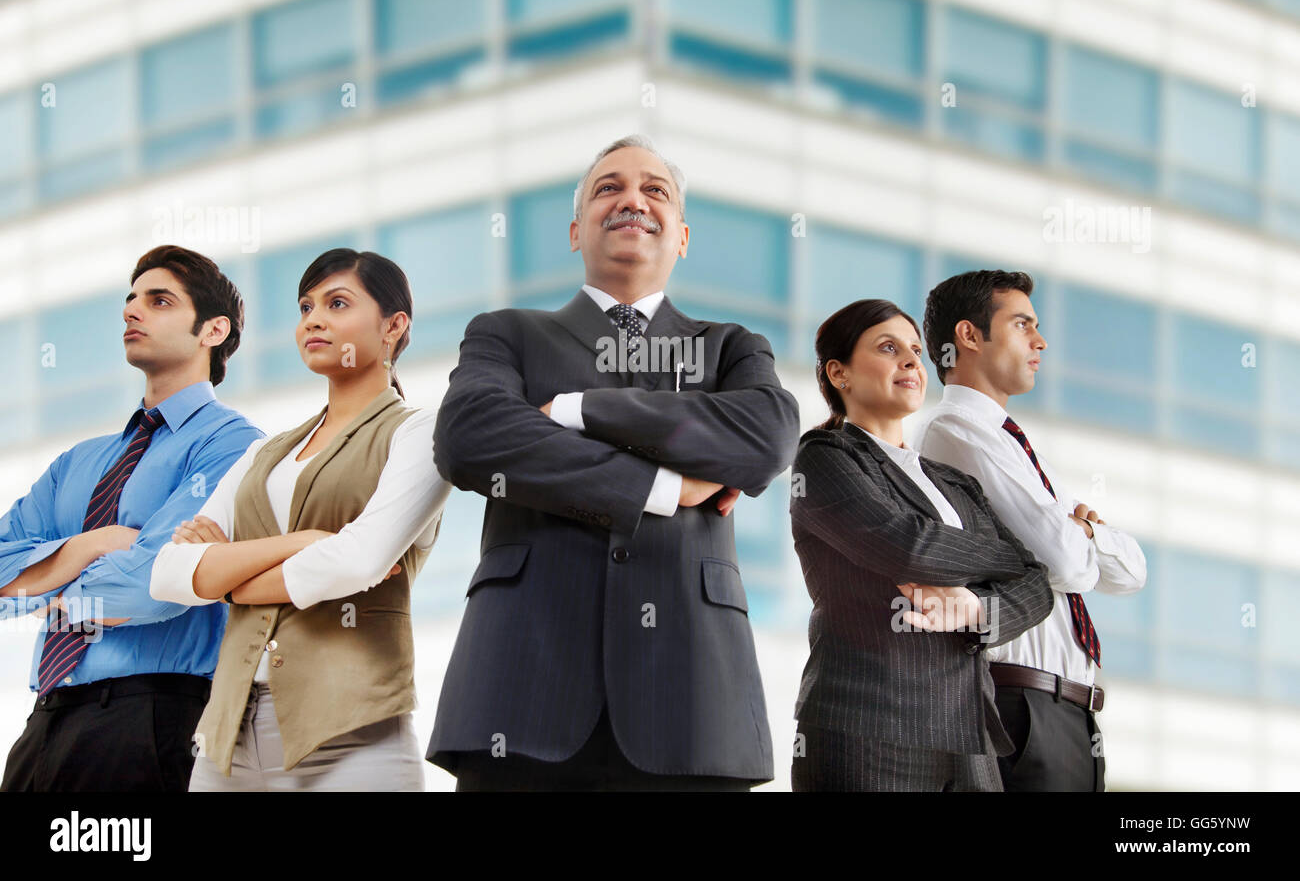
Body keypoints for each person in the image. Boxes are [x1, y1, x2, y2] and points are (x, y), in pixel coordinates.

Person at [427, 134, 800, 790]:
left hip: (693, 708)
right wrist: (664, 484)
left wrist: (578, 408)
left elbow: (766, 442)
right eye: (610, 187)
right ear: (576, 231)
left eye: (655, 190)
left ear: (682, 236)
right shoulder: (507, 333)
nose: (633, 199)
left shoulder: (733, 347)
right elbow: (471, 438)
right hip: (521, 694)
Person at [150, 248, 450, 791]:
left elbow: (357, 562)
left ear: (393, 326)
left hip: (353, 736)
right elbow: (169, 574)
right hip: (226, 739)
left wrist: (228, 581)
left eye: (337, 303)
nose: (313, 318)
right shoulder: (264, 453)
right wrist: (308, 541)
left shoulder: (421, 434)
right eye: (306, 306)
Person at [0, 246, 263, 791]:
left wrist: (45, 591)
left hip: (151, 718)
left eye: (159, 300)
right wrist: (92, 546)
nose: (131, 311)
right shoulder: (77, 462)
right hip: (45, 723)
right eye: (130, 299)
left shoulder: (233, 445)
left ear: (213, 331)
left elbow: (154, 587)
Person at [789, 298, 1054, 792]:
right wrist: (1007, 560)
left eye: (915, 349)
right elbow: (908, 546)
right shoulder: (825, 457)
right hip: (869, 727)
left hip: (970, 730)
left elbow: (1039, 583)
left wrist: (976, 606)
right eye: (888, 348)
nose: (912, 361)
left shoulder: (955, 483)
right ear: (839, 373)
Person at [914, 270, 1146, 791]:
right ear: (969, 336)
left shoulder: (1017, 448)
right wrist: (1081, 534)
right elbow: (1065, 563)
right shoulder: (956, 434)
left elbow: (1130, 571)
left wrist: (1083, 536)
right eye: (1022, 325)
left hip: (1070, 714)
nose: (1040, 341)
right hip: (1020, 709)